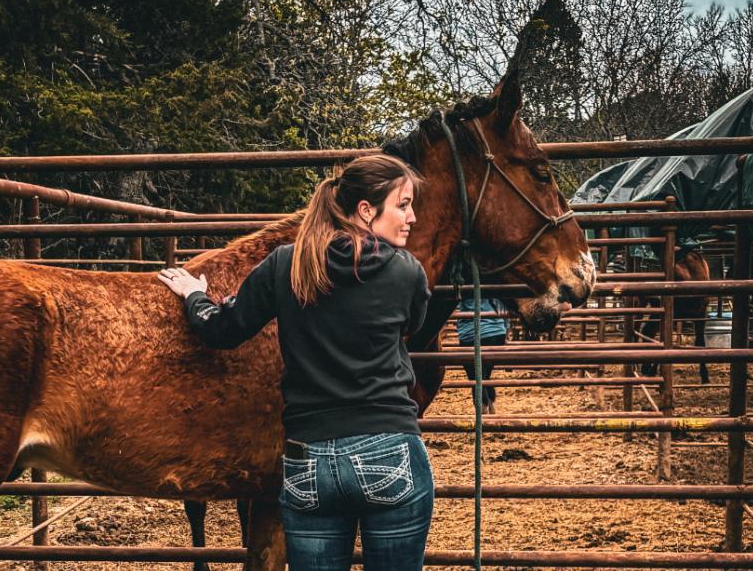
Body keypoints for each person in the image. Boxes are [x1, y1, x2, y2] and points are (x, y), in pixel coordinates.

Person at [158, 155, 434, 570]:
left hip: (310, 459)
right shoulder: (406, 271)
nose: (412, 217)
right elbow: (413, 324)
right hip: (387, 448)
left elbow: (223, 330)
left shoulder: (287, 263)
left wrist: (195, 296)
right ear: (365, 210)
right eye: (403, 204)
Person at [455, 295, 508, 414]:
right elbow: (504, 302)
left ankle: (483, 411)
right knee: (484, 374)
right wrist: (505, 328)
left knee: (475, 377)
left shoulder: (464, 278)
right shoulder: (493, 278)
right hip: (496, 330)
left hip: (471, 332)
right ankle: (489, 404)